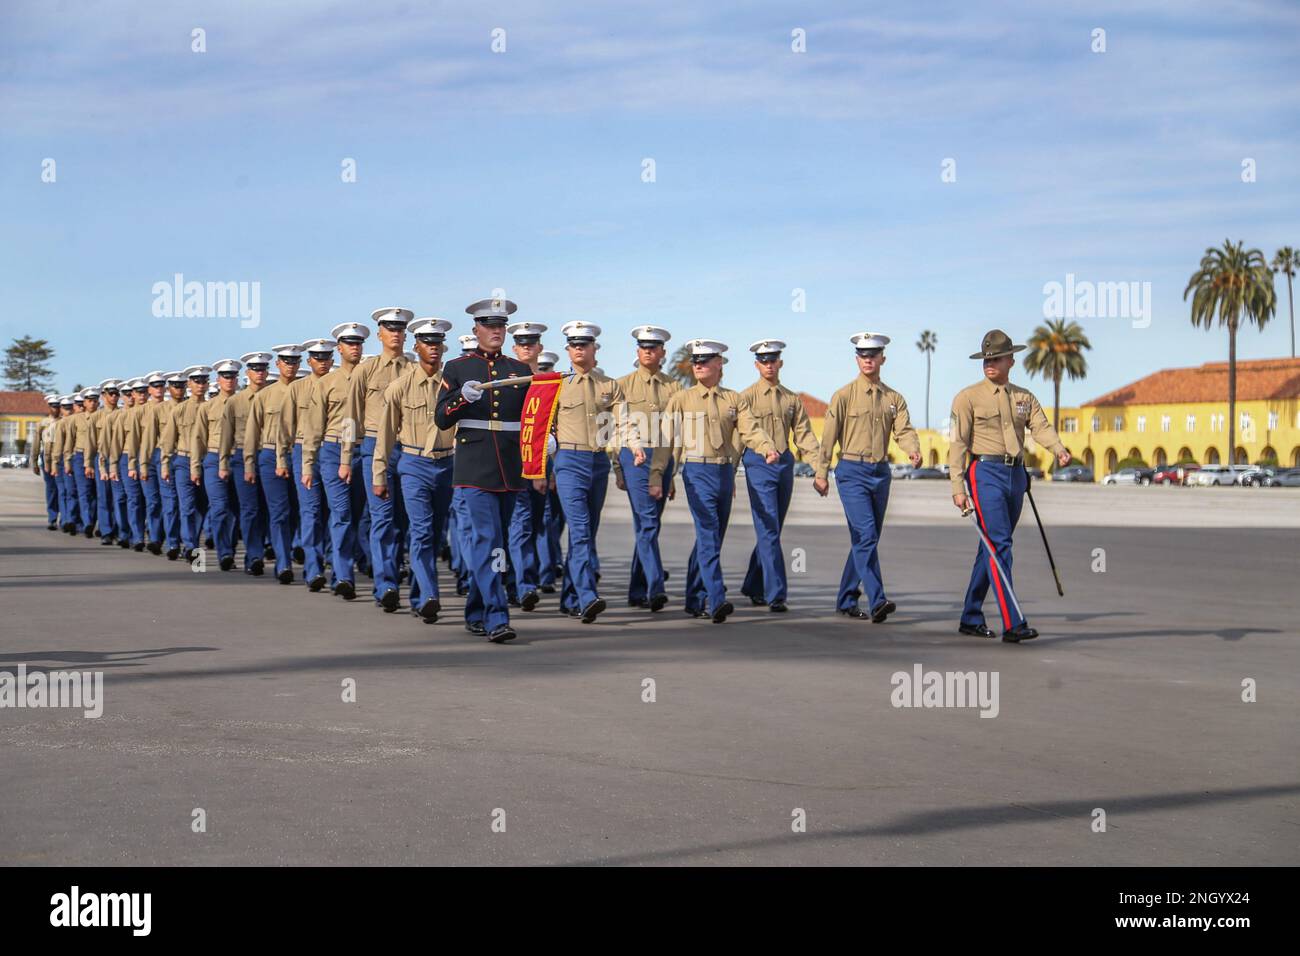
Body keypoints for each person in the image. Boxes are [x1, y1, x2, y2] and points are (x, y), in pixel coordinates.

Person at [948, 329, 1071, 643]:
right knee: (1000, 545)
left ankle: (970, 615)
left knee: (989, 546)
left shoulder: (1023, 397)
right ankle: (1013, 622)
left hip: (1016, 476)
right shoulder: (967, 397)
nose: (990, 363)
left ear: (1010, 360)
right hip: (985, 473)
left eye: (996, 358)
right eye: (986, 358)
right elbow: (958, 443)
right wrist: (957, 487)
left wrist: (1057, 449)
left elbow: (1040, 427)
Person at [652, 340, 778, 623]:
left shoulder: (734, 400)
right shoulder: (681, 400)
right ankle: (716, 597)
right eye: (695, 361)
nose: (698, 365)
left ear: (719, 364)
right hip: (696, 472)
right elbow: (664, 441)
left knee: (712, 539)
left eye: (705, 360)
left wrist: (767, 447)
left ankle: (694, 598)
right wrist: (658, 475)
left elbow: (750, 429)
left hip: (723, 473)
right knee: (708, 533)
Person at [434, 296, 534, 643]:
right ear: (475, 329)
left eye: (501, 326)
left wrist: (545, 439)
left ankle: (476, 610)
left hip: (509, 467)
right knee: (489, 543)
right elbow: (442, 418)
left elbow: (532, 416)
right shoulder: (457, 368)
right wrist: (462, 398)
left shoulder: (520, 371)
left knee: (497, 544)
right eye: (490, 326)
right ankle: (496, 616)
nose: (496, 331)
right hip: (474, 469)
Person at [814, 333, 920, 622]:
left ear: (882, 358)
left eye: (873, 354)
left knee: (865, 539)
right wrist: (821, 473)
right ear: (856, 359)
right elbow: (828, 438)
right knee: (867, 535)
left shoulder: (893, 399)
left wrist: (913, 450)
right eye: (863, 355)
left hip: (879, 473)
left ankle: (847, 598)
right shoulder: (844, 395)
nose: (868, 359)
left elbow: (904, 430)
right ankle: (877, 600)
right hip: (851, 471)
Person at [543, 321, 641, 622]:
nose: (578, 349)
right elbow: (544, 429)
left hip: (598, 463)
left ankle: (570, 598)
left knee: (585, 533)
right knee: (581, 529)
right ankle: (587, 596)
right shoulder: (556, 385)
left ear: (593, 348)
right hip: (568, 461)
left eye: (584, 344)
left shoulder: (609, 386)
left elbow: (622, 423)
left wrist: (633, 449)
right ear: (568, 349)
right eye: (573, 344)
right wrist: (544, 472)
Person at [374, 317, 455, 622]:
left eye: (437, 344)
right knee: (420, 531)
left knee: (435, 534)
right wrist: (379, 475)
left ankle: (420, 596)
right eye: (427, 343)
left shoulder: (452, 385)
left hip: (447, 464)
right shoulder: (400, 387)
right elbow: (384, 436)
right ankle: (430, 594)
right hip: (413, 465)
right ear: (416, 346)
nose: (433, 349)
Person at [735, 339, 821, 613]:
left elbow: (804, 436)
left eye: (773, 360)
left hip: (784, 464)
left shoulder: (791, 399)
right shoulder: (745, 398)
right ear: (756, 365)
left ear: (780, 363)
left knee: (771, 529)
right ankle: (776, 593)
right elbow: (738, 436)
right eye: (763, 360)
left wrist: (820, 468)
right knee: (769, 528)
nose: (769, 365)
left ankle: (752, 585)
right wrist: (728, 471)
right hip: (758, 464)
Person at [342, 308, 413, 611]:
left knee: (404, 520)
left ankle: (396, 569)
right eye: (389, 328)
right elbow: (350, 417)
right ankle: (385, 584)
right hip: (374, 447)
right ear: (380, 333)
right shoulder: (366, 370)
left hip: (409, 447)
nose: (395, 333)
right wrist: (347, 457)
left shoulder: (414, 368)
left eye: (400, 328)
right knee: (382, 518)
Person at [609, 325, 678, 611]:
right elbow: (614, 427)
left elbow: (675, 432)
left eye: (654, 347)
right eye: (643, 347)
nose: (648, 351)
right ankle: (655, 586)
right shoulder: (622, 384)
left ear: (662, 352)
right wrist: (618, 468)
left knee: (647, 526)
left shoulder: (674, 387)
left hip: (663, 458)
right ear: (637, 351)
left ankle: (636, 591)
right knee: (648, 521)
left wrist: (670, 475)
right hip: (634, 458)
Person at [301, 324, 369, 600]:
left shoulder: (371, 378)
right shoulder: (326, 383)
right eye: (348, 343)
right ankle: (343, 575)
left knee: (364, 516)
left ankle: (371, 568)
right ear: (338, 348)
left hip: (365, 450)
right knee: (340, 514)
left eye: (358, 343)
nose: (354, 347)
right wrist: (307, 464)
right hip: (333, 450)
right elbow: (313, 428)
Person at [279, 338, 335, 591]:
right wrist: (283, 459)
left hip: (334, 449)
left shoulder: (339, 384)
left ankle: (335, 564)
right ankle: (313, 569)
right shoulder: (297, 389)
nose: (322, 362)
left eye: (326, 358)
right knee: (310, 512)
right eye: (317, 358)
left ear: (332, 360)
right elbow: (286, 428)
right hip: (305, 451)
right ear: (310, 361)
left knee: (334, 511)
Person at [247, 345, 303, 584]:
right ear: (278, 365)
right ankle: (283, 564)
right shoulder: (264, 397)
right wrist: (249, 464)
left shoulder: (306, 391)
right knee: (279, 512)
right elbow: (252, 434)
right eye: (285, 361)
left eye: (294, 361)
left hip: (300, 453)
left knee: (301, 511)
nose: (290, 365)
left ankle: (301, 552)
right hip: (270, 456)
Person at [505, 320, 549, 610]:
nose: (526, 348)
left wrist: (545, 469)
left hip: (541, 468)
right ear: (514, 348)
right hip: (511, 465)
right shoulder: (506, 379)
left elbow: (551, 429)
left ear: (539, 348)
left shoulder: (548, 382)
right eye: (521, 344)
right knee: (517, 526)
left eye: (531, 343)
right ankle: (523, 585)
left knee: (533, 527)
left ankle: (516, 582)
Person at [220, 352, 273, 576]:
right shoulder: (235, 402)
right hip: (242, 458)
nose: (259, 373)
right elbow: (226, 435)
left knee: (268, 509)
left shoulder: (274, 396)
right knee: (249, 509)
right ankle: (253, 557)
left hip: (270, 455)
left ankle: (264, 550)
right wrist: (223, 464)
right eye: (255, 369)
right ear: (248, 373)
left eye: (262, 369)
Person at [135, 371, 169, 554]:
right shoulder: (139, 412)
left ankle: (163, 536)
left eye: (161, 385)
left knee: (168, 500)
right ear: (149, 389)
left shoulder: (171, 408)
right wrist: (138, 464)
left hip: (167, 456)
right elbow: (135, 441)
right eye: (155, 386)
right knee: (153, 501)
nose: (159, 389)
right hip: (148, 456)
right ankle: (154, 537)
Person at [156, 372, 188, 559]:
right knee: (170, 503)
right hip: (169, 457)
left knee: (189, 506)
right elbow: (149, 440)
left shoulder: (196, 407)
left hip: (190, 459)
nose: (179, 389)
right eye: (175, 386)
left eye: (182, 385)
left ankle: (190, 544)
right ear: (169, 389)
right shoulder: (159, 410)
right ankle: (173, 542)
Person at [93, 380, 123, 545]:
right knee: (104, 497)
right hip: (102, 459)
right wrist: (89, 464)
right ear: (103, 396)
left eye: (116, 394)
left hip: (119, 458)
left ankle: (118, 529)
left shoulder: (122, 413)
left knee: (118, 497)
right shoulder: (96, 416)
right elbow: (91, 444)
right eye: (111, 393)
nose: (114, 397)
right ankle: (106, 531)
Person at [71, 385, 102, 539]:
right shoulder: (76, 419)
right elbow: (69, 441)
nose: (92, 403)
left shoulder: (103, 416)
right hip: (79, 456)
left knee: (97, 492)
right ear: (84, 402)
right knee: (84, 491)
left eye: (95, 400)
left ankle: (93, 519)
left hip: (98, 456)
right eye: (90, 400)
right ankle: (87, 522)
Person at [34, 394, 61, 530]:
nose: (55, 409)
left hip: (61, 458)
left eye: (58, 406)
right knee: (51, 489)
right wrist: (34, 462)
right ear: (49, 407)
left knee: (62, 489)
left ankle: (65, 517)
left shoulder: (64, 421)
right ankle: (52, 517)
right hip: (47, 459)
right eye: (53, 406)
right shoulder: (42, 424)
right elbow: (36, 444)